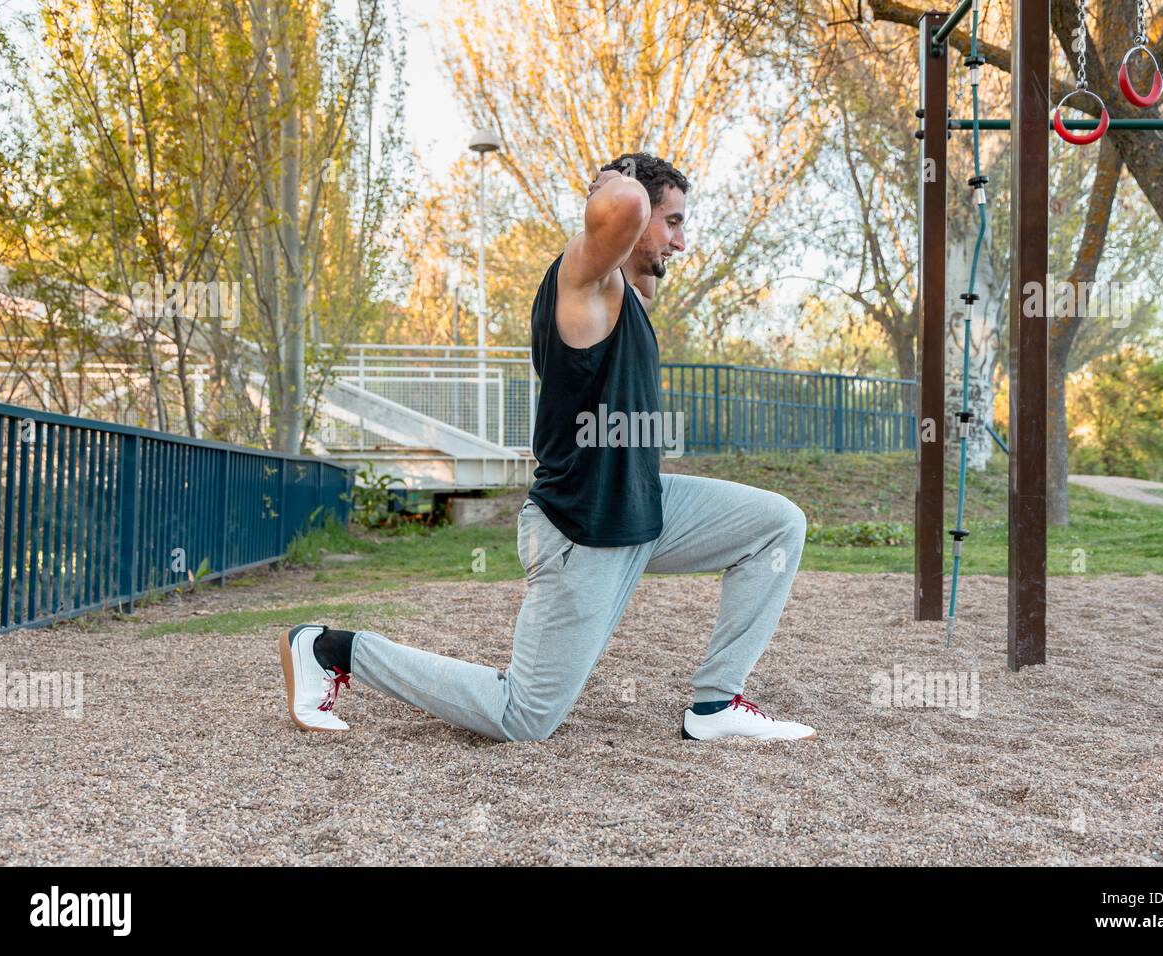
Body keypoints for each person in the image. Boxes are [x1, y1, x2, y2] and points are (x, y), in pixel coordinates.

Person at [279, 152, 814, 742]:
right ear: (632, 216)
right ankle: (329, 649)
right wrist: (618, 185)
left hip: (643, 512)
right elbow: (627, 207)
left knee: (777, 523)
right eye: (673, 222)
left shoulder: (630, 296)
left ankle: (715, 706)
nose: (681, 242)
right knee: (524, 717)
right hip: (580, 530)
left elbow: (639, 241)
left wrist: (644, 233)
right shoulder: (584, 284)